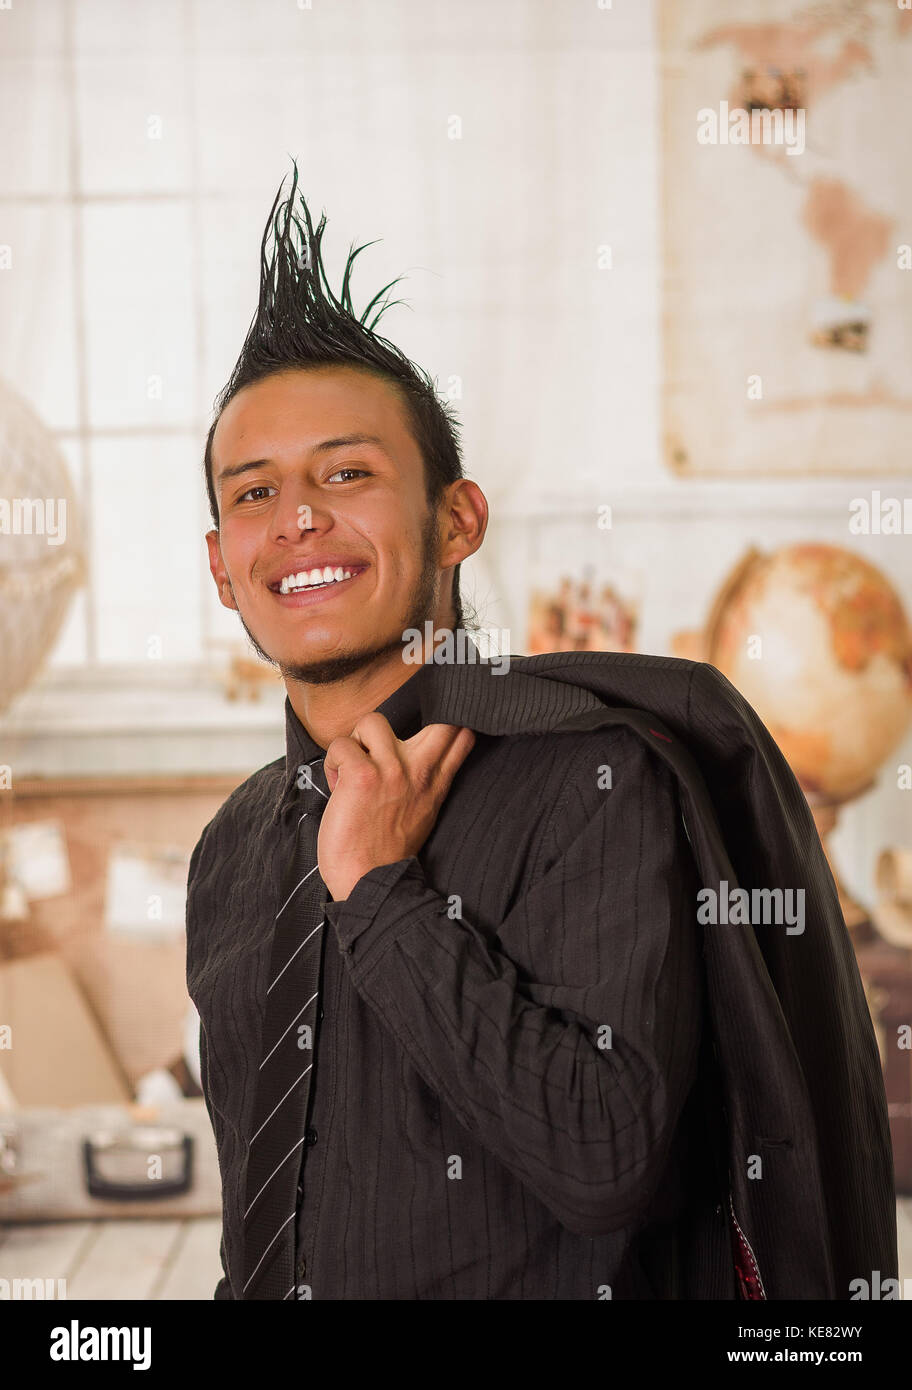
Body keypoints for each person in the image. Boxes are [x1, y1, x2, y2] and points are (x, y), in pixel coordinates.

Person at [186, 162, 896, 1301]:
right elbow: (266, 1227)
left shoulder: (597, 780)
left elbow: (608, 1163)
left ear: (458, 517)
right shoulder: (232, 849)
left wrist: (382, 896)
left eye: (349, 472)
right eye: (254, 493)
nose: (300, 516)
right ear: (222, 565)